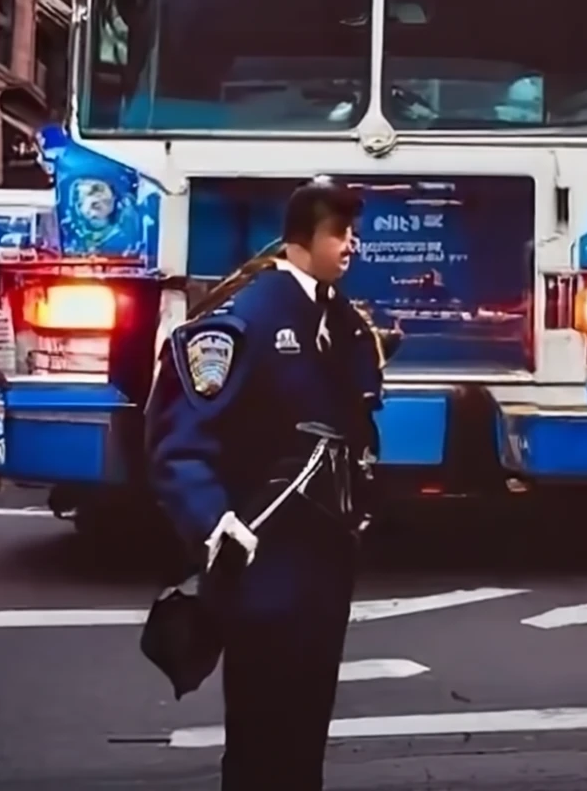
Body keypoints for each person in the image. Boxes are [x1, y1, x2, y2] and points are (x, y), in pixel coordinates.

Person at [144, 178, 386, 790]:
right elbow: (180, 443)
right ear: (301, 239)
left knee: (307, 724)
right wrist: (213, 521)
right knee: (261, 728)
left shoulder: (341, 321)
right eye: (340, 233)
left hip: (326, 563)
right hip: (264, 558)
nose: (351, 245)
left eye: (353, 233)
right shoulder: (245, 322)